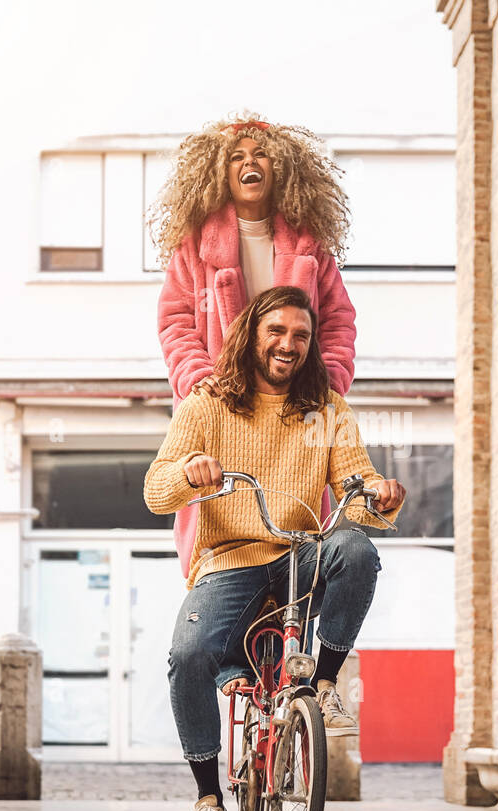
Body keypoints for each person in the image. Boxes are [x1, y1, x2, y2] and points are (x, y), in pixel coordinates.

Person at [143, 285, 406, 811]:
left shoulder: (327, 408)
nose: (289, 344)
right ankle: (208, 802)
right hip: (228, 561)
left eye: (301, 336)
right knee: (188, 655)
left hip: (300, 550)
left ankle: (327, 683)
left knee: (357, 550)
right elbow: (156, 491)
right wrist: (190, 473)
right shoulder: (208, 402)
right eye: (277, 332)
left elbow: (354, 488)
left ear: (311, 346)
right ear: (252, 337)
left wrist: (379, 497)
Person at [148, 111, 358, 583]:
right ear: (220, 171)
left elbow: (339, 322)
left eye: (261, 153)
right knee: (213, 503)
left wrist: (326, 380)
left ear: (279, 168)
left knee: (300, 517)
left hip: (292, 398)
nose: (251, 162)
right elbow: (175, 321)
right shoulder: (194, 248)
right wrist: (204, 385)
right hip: (222, 404)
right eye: (238, 156)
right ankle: (217, 597)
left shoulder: (310, 248)